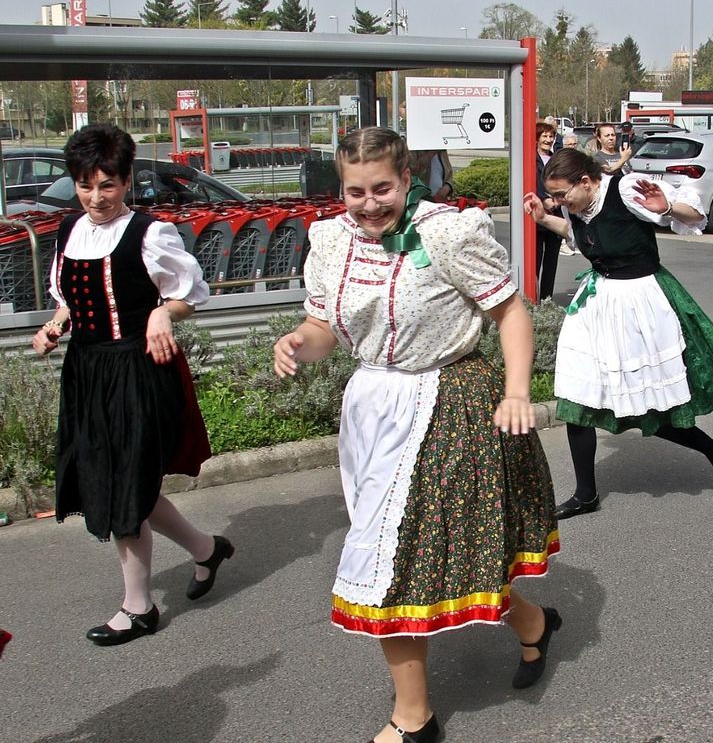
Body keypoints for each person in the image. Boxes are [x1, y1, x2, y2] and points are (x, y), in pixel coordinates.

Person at [272, 127, 560, 743]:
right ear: (341, 190)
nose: (370, 204)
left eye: (383, 188)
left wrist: (516, 392)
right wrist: (300, 341)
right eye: (356, 192)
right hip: (372, 405)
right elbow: (323, 327)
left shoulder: (449, 233)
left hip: (448, 402)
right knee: (433, 557)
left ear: (406, 180)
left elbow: (509, 311)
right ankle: (533, 623)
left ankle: (413, 720)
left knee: (391, 561)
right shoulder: (329, 241)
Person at [31, 123, 225, 647]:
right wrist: (55, 326)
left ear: (126, 180)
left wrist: (165, 313)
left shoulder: (150, 232)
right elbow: (71, 298)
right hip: (89, 370)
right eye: (87, 185)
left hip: (139, 369)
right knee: (126, 481)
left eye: (108, 185)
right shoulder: (71, 229)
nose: (97, 197)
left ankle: (138, 607)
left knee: (122, 486)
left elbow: (191, 292)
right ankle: (207, 549)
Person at [522, 148, 713, 520]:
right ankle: (586, 494)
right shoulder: (578, 205)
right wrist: (544, 219)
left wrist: (666, 208)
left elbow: (696, 216)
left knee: (650, 407)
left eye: (563, 194)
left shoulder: (627, 189)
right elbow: (579, 236)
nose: (559, 202)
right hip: (597, 304)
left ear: (586, 181)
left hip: (641, 302)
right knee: (577, 394)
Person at [533, 121, 564, 299]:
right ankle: (534, 298)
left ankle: (547, 299)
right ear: (537, 138)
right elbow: (531, 184)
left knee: (551, 263)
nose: (548, 139)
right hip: (538, 220)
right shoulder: (531, 160)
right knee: (535, 262)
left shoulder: (556, 159)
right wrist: (543, 200)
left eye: (551, 136)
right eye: (544, 136)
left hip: (556, 216)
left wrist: (558, 200)